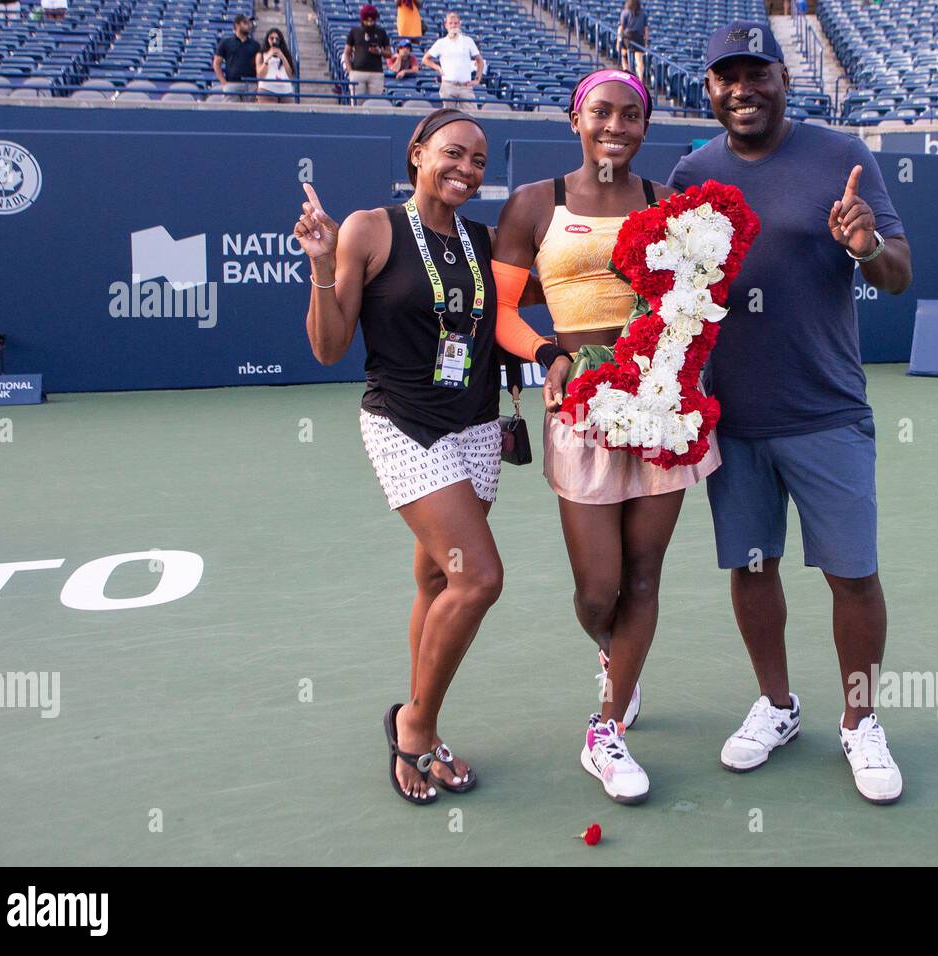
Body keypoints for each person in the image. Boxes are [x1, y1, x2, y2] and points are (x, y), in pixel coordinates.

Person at [294, 109, 573, 805]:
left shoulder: (487, 242)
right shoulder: (370, 228)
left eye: (479, 161)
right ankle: (412, 726)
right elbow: (329, 347)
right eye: (453, 153)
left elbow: (552, 292)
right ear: (418, 154)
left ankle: (426, 719)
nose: (467, 169)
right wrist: (323, 265)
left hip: (475, 428)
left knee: (435, 584)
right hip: (405, 427)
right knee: (476, 579)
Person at [668, 22, 912, 804]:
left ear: (783, 79)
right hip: (731, 419)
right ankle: (776, 706)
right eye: (726, 76)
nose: (742, 88)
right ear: (709, 88)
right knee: (751, 567)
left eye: (757, 73)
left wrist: (866, 244)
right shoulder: (690, 171)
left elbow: (900, 275)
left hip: (826, 411)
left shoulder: (843, 155)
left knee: (854, 576)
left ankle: (861, 722)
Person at [492, 70, 717, 806]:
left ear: (645, 127)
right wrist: (548, 354)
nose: (616, 125)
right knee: (600, 588)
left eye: (631, 115)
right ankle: (613, 652)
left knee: (645, 576)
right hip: (582, 401)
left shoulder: (669, 204)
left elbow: (694, 296)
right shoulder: (534, 204)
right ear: (575, 120)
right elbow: (501, 315)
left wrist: (678, 355)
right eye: (601, 112)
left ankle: (606, 726)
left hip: (662, 400)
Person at [424, 12, 484, 108]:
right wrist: (438, 68)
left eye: (455, 23)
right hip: (448, 85)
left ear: (459, 24)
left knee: (471, 115)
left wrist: (477, 79)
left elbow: (480, 61)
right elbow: (425, 59)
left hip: (465, 86)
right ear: (446, 25)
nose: (453, 25)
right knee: (448, 117)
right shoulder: (441, 43)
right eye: (451, 23)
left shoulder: (468, 41)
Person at [345, 4, 390, 105]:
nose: (369, 23)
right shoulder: (354, 31)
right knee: (357, 105)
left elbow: (389, 53)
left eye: (372, 21)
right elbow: (347, 53)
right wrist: (350, 71)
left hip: (376, 74)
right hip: (357, 73)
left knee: (375, 105)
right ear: (362, 19)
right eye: (367, 21)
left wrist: (380, 51)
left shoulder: (381, 32)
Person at [214, 15, 260, 102]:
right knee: (230, 113)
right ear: (237, 25)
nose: (249, 25)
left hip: (251, 84)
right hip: (232, 83)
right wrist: (223, 82)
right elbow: (216, 63)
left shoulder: (255, 45)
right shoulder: (226, 43)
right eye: (245, 23)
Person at [255, 29, 296, 105]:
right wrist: (268, 57)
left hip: (286, 91)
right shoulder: (261, 54)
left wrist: (282, 57)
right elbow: (260, 75)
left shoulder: (286, 55)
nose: (274, 41)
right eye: (271, 38)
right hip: (267, 90)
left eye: (277, 39)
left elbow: (291, 75)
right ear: (267, 39)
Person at [617, 0, 648, 80]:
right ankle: (640, 79)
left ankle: (626, 75)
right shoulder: (643, 13)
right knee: (639, 60)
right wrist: (646, 42)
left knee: (624, 57)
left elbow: (621, 28)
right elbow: (646, 29)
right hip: (639, 38)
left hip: (627, 37)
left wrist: (618, 42)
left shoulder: (625, 12)